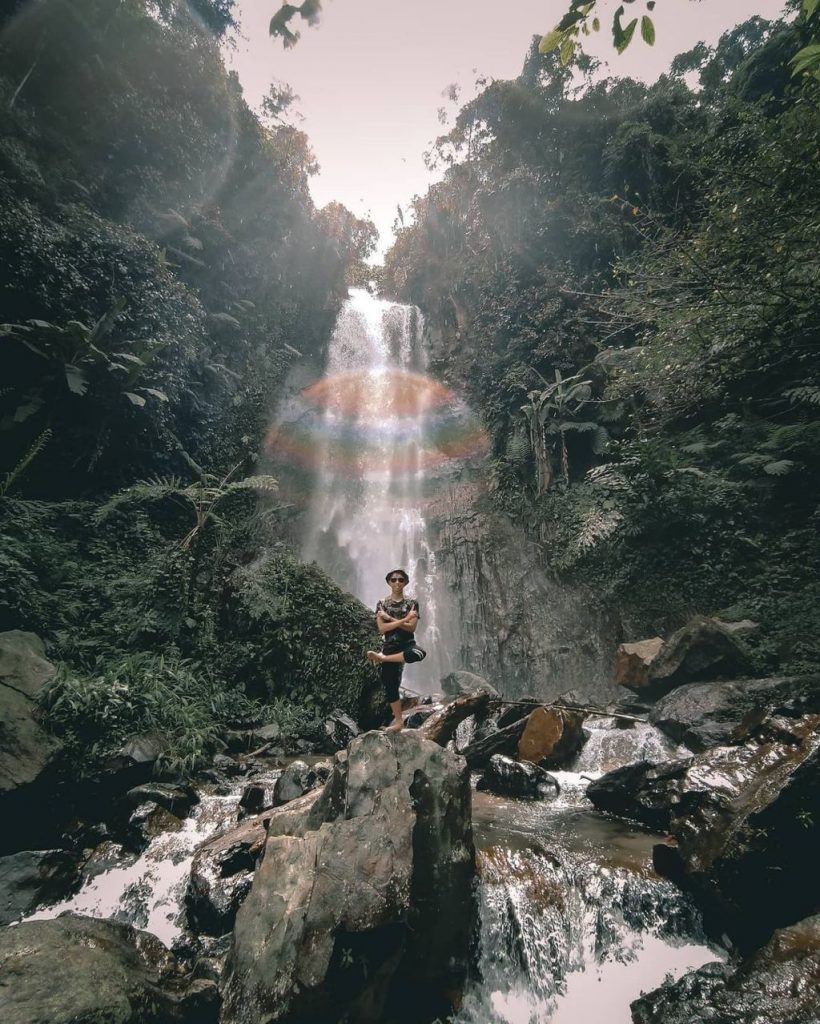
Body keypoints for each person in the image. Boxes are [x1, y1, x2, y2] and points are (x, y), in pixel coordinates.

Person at [366, 568, 427, 731]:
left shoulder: (412, 603)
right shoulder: (382, 604)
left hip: (407, 644)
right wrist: (403, 620)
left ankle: (382, 658)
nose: (397, 582)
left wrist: (391, 619)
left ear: (406, 582)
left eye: (401, 579)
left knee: (419, 653)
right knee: (390, 684)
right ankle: (399, 722)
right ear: (389, 582)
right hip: (390, 646)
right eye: (393, 580)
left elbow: (411, 628)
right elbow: (382, 629)